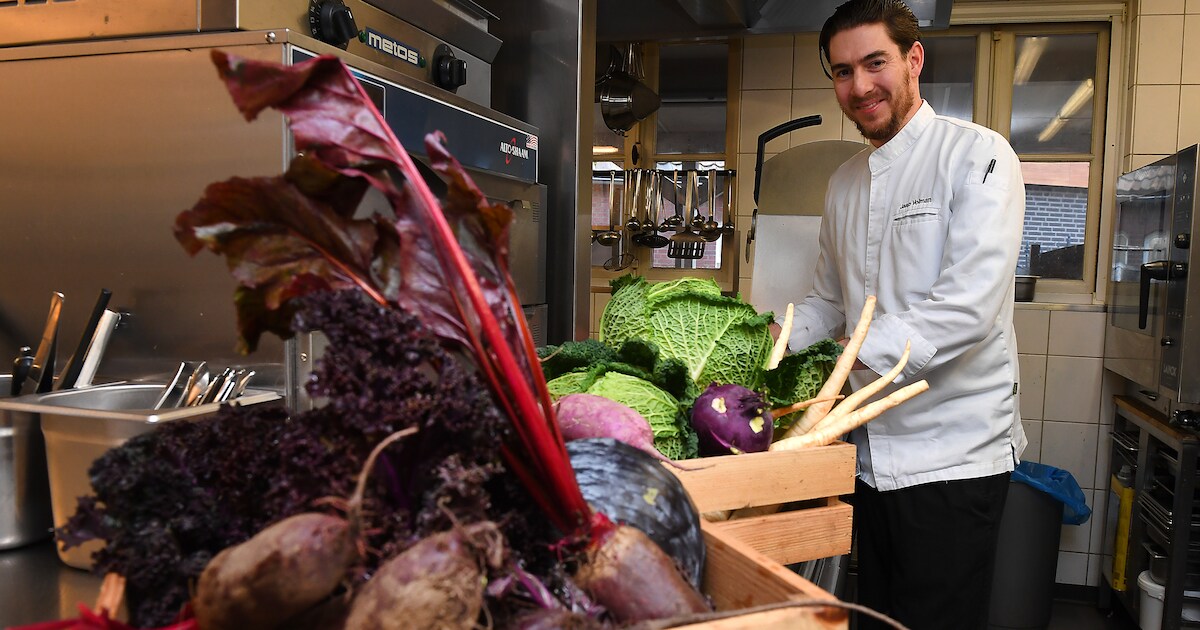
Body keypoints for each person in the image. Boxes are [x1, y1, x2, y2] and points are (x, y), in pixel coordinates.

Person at [784, 1, 1028, 628]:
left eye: (875, 63)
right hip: (864, 455)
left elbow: (966, 308)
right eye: (842, 71)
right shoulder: (842, 183)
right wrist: (765, 345)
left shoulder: (979, 157)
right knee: (877, 618)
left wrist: (848, 356)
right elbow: (827, 303)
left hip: (952, 454)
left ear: (914, 59)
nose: (860, 87)